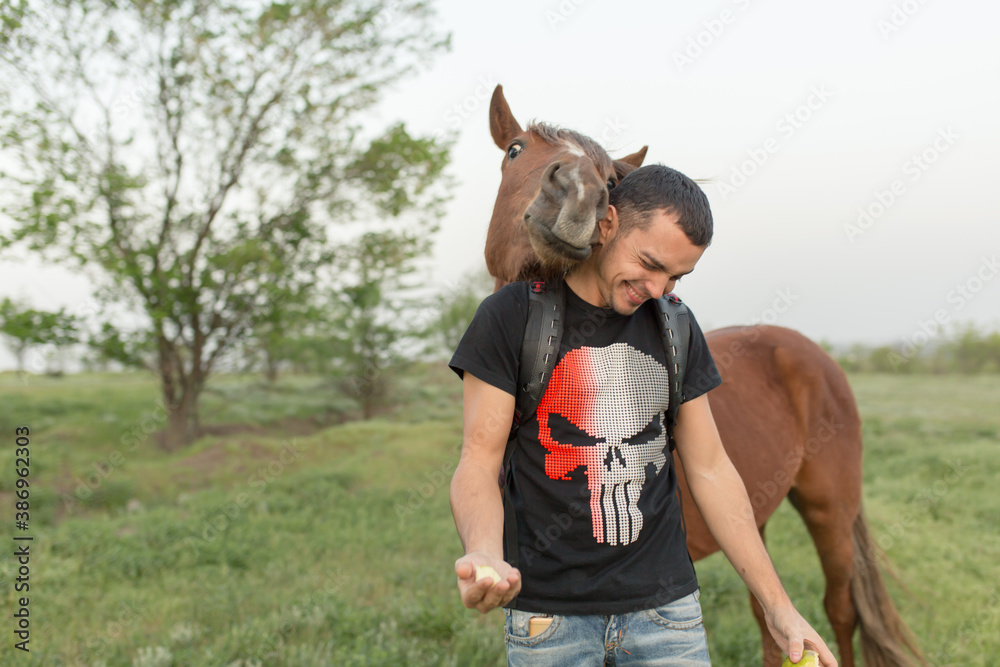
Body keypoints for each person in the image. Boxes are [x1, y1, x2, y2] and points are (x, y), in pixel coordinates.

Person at [448, 164, 837, 666]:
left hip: (668, 616)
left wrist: (778, 607)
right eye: (649, 263)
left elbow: (711, 469)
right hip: (549, 622)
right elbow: (478, 461)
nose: (657, 288)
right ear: (607, 223)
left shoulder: (675, 326)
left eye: (675, 276)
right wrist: (484, 550)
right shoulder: (512, 317)